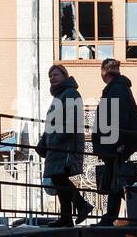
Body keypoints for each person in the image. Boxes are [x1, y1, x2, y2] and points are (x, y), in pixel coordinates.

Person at [34, 63, 93, 226]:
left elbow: (72, 120)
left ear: (65, 76)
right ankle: (66, 218)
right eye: (50, 76)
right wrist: (44, 141)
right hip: (57, 144)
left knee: (59, 177)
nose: (52, 78)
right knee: (58, 178)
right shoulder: (59, 96)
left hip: (66, 144)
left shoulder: (71, 93)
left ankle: (81, 206)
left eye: (56, 75)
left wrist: (57, 138)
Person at [91, 57, 137, 224]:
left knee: (116, 180)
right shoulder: (117, 87)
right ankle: (113, 217)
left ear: (104, 72)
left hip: (115, 144)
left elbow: (119, 117)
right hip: (114, 143)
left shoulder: (116, 88)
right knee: (115, 180)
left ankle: (113, 217)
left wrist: (118, 143)